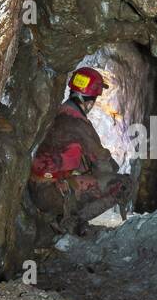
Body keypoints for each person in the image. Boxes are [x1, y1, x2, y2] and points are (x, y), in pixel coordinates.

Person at [28, 66, 131, 239]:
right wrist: (111, 168)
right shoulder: (79, 124)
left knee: (83, 164)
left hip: (36, 187)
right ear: (89, 102)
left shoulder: (57, 113)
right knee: (123, 184)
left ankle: (57, 216)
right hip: (51, 193)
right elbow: (103, 164)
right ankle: (71, 222)